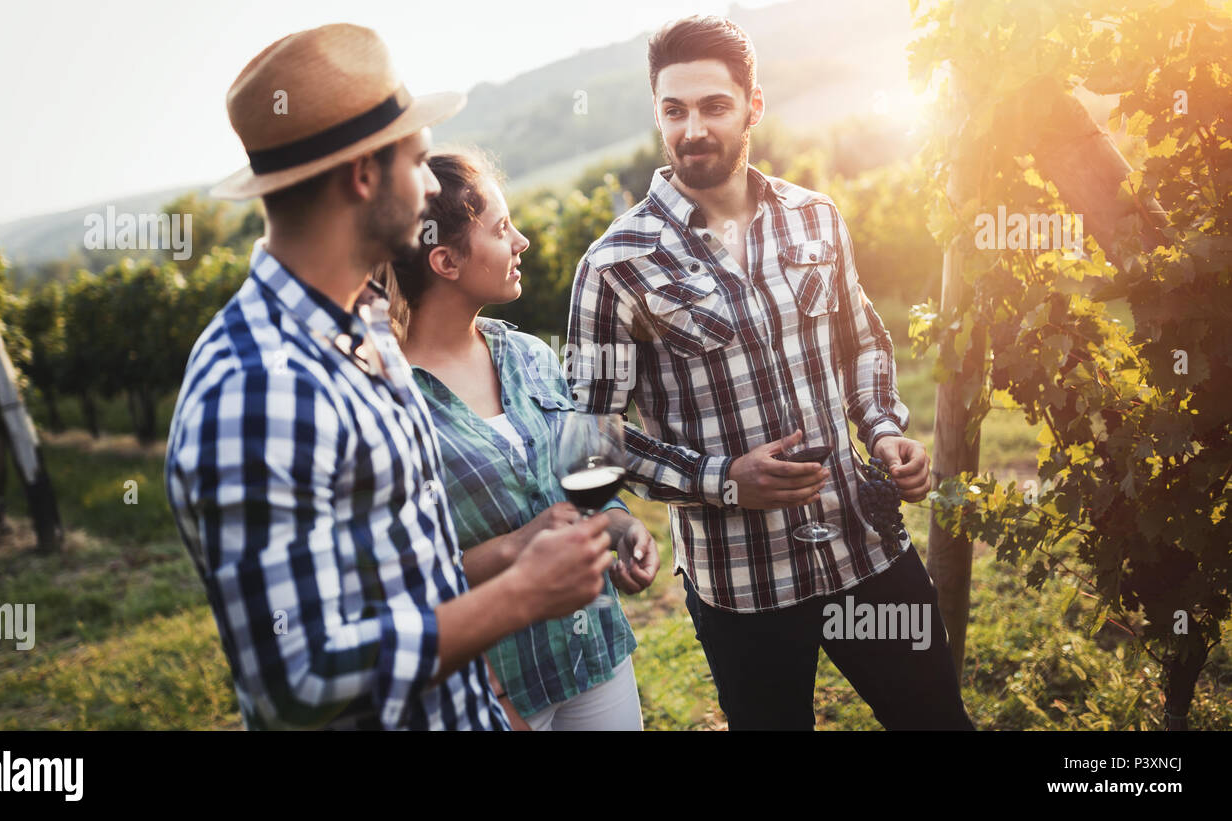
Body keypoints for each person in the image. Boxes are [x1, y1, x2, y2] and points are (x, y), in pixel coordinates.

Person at [165, 23, 615, 731]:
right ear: (364, 176)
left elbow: (416, 567)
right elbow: (298, 676)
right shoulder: (257, 385)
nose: (432, 183)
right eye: (416, 159)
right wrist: (521, 594)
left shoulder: (365, 322)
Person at [566, 14, 975, 730]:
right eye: (674, 110)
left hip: (866, 548)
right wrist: (725, 478)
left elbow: (864, 343)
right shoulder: (613, 266)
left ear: (753, 106)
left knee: (938, 719)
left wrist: (884, 432)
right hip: (741, 583)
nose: (692, 128)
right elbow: (588, 445)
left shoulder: (815, 217)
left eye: (714, 106)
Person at [381, 150, 658, 731]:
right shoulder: (388, 404)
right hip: (494, 691)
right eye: (502, 229)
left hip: (595, 654)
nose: (523, 242)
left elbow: (592, 475)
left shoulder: (531, 355)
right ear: (445, 260)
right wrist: (514, 548)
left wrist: (621, 525)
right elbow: (398, 582)